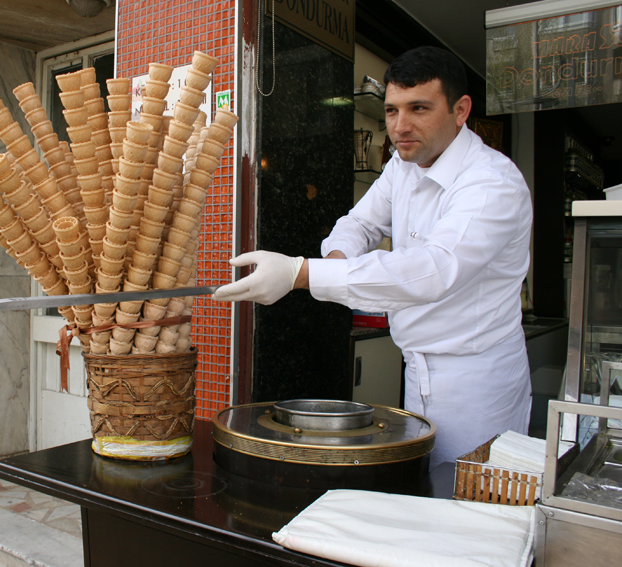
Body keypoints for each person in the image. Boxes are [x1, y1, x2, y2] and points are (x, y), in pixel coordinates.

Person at [214, 46, 533, 468]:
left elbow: (434, 270)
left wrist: (301, 273)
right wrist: (337, 261)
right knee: (424, 487)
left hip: (477, 381)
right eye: (392, 111)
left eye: (419, 108)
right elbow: (360, 223)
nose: (401, 126)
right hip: (416, 369)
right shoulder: (403, 166)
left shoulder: (491, 182)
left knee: (472, 495)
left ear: (460, 110)